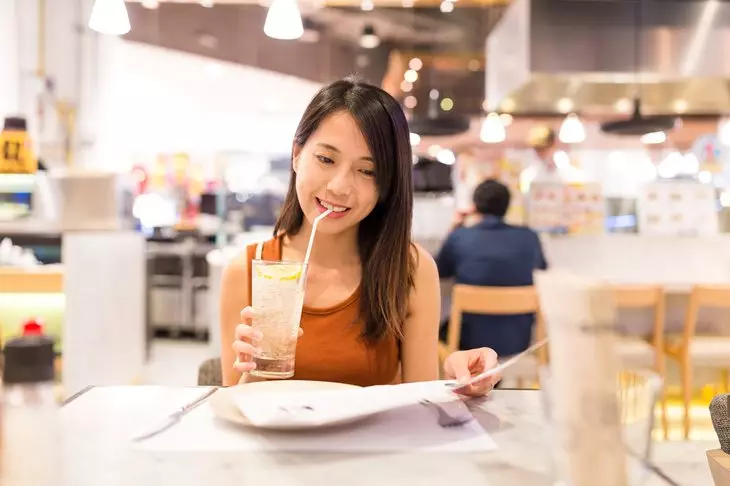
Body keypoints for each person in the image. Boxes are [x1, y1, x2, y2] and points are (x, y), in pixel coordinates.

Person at [219, 78, 499, 397]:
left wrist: (452, 380)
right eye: (326, 159)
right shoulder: (247, 271)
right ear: (297, 154)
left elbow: (419, 405)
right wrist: (253, 377)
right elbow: (235, 416)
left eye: (367, 171)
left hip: (376, 447)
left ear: (386, 185)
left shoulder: (410, 269)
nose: (339, 186)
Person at [436, 179, 548, 357]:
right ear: (507, 206)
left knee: (437, 333)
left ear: (475, 206)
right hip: (518, 338)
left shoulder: (460, 236)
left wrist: (455, 227)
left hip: (469, 339)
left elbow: (440, 271)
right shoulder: (529, 237)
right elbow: (542, 270)